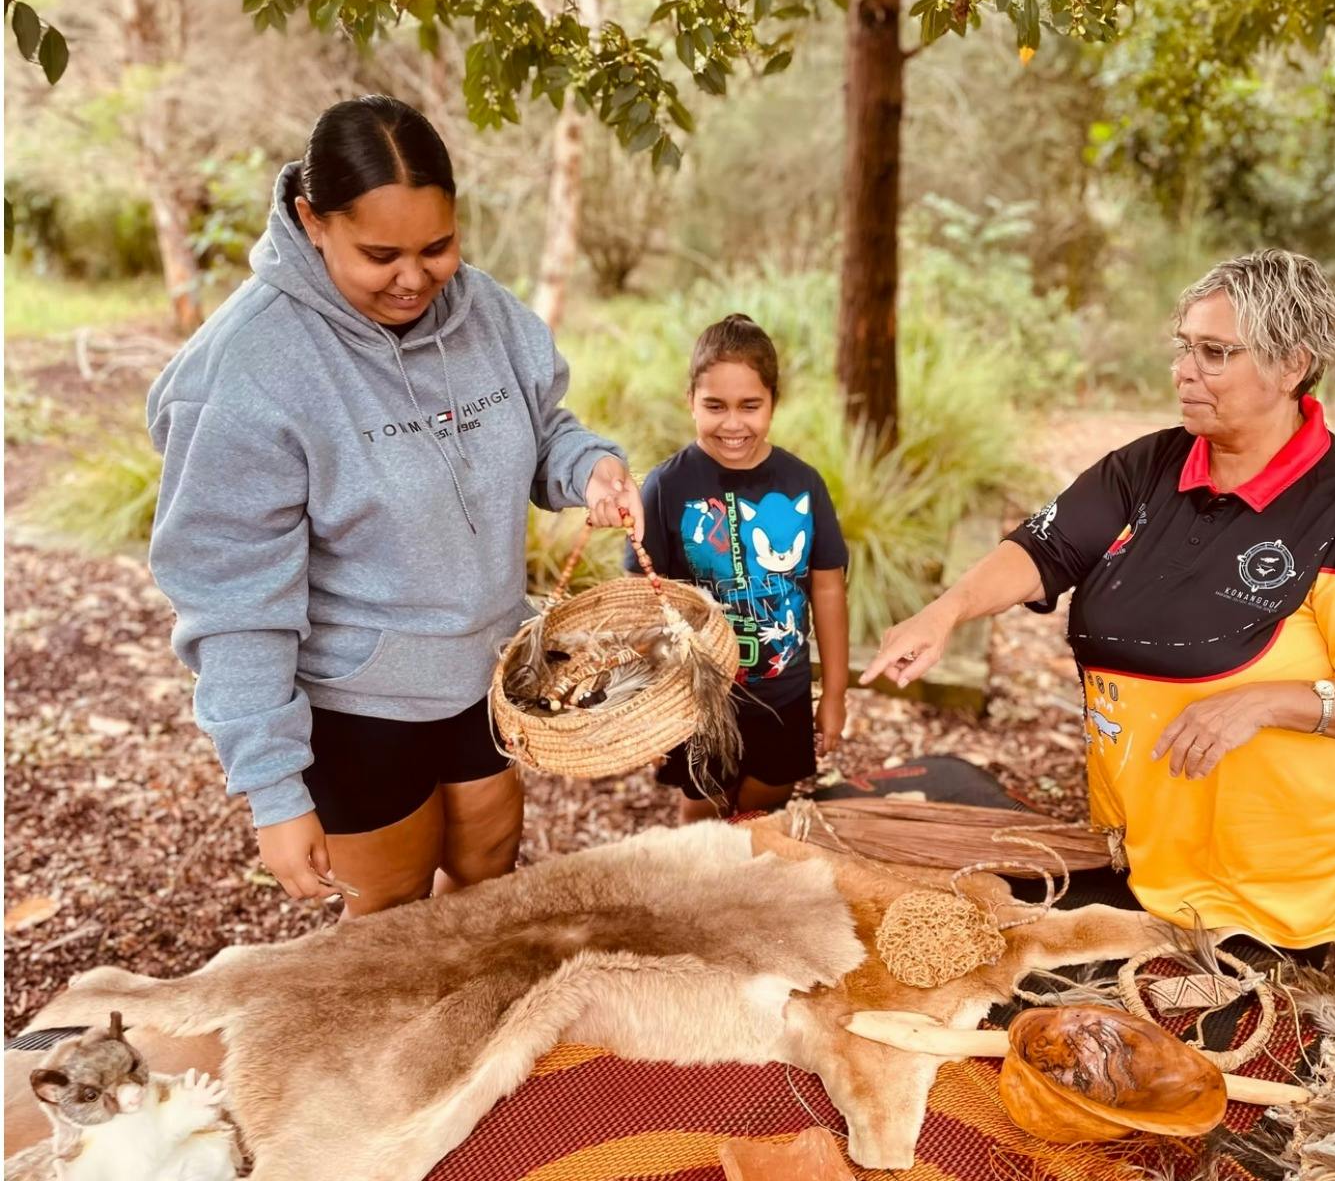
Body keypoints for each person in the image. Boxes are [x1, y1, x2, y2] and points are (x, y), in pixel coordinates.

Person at [862, 249, 1335, 956]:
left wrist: (1271, 701)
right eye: (1185, 348)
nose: (1184, 371)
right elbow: (1045, 549)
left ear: (1290, 366)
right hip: (1131, 853)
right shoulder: (1147, 466)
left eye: (1215, 353)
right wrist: (948, 611)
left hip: (1263, 900)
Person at [147, 96, 643, 916]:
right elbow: (233, 602)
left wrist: (588, 468)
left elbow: (540, 425)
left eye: (438, 247)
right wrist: (274, 790)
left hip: (487, 671)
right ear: (312, 220)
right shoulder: (247, 371)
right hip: (359, 704)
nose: (415, 278)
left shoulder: (483, 310)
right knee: (394, 927)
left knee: (488, 878)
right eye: (380, 255)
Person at [625, 314, 849, 822]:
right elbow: (643, 603)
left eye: (750, 406)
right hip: (695, 695)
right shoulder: (665, 486)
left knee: (766, 803)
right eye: (714, 406)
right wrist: (648, 706)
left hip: (782, 691)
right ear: (690, 401)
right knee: (702, 813)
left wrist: (834, 693)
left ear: (774, 401)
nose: (732, 423)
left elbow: (829, 590)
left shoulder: (803, 483)